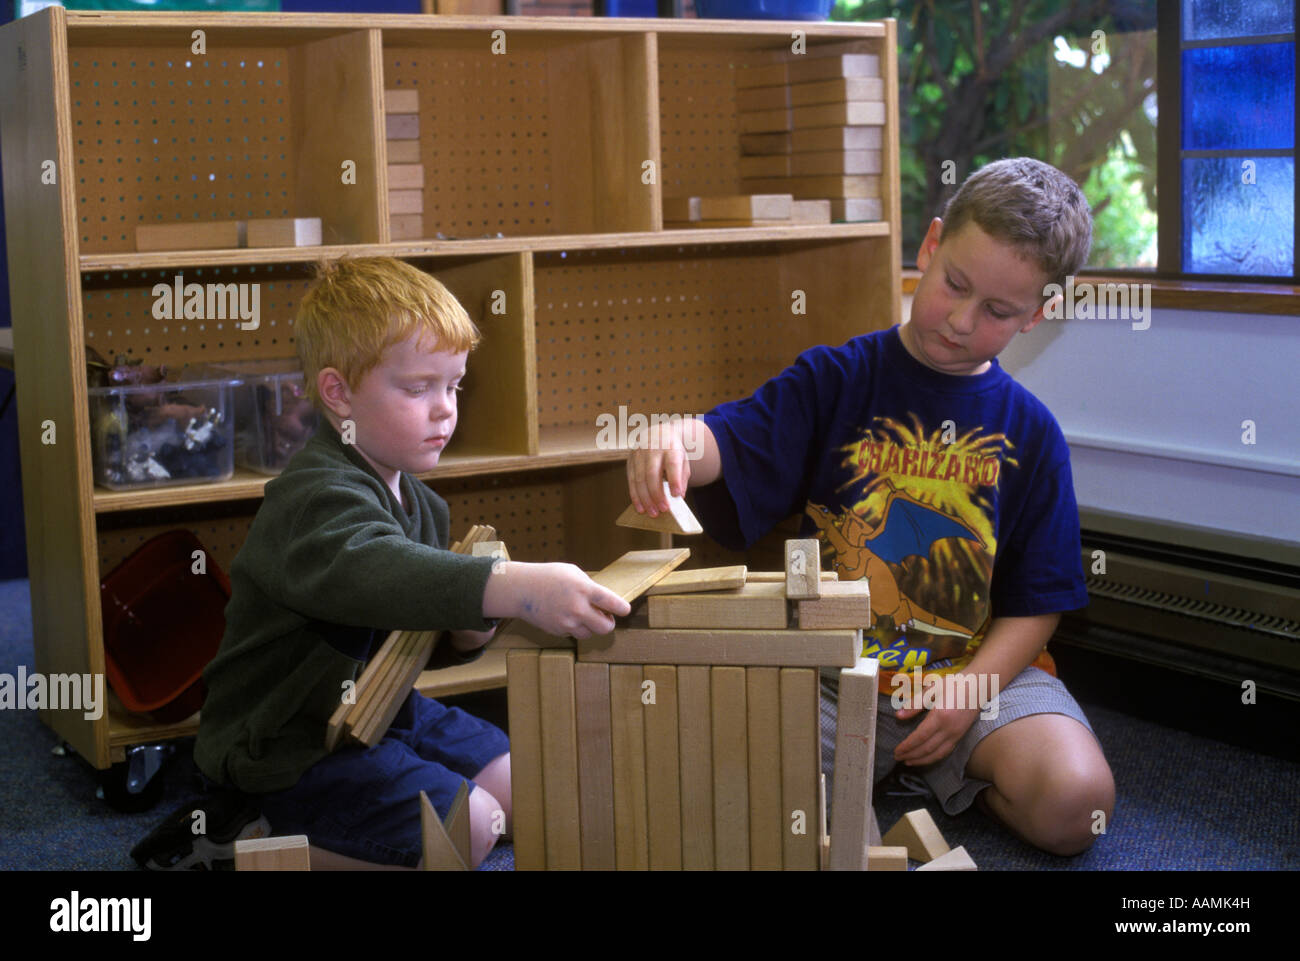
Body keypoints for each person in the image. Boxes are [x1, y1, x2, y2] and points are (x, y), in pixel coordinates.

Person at [626, 158, 1115, 856]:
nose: (961, 319)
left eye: (998, 312)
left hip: (972, 678)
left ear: (1038, 315)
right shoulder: (837, 379)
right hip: (829, 679)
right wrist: (671, 437)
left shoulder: (1031, 431)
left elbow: (1039, 603)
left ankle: (940, 776)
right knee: (744, 800)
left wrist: (970, 693)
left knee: (1078, 804)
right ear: (930, 246)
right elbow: (725, 443)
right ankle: (885, 778)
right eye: (955, 284)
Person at [194, 257, 629, 869]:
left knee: (528, 788)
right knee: (466, 828)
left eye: (452, 385)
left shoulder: (422, 502)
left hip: (378, 712)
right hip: (288, 745)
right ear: (338, 393)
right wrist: (512, 588)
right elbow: (375, 571)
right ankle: (247, 846)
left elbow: (412, 628)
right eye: (417, 387)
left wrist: (469, 630)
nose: (444, 409)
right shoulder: (314, 496)